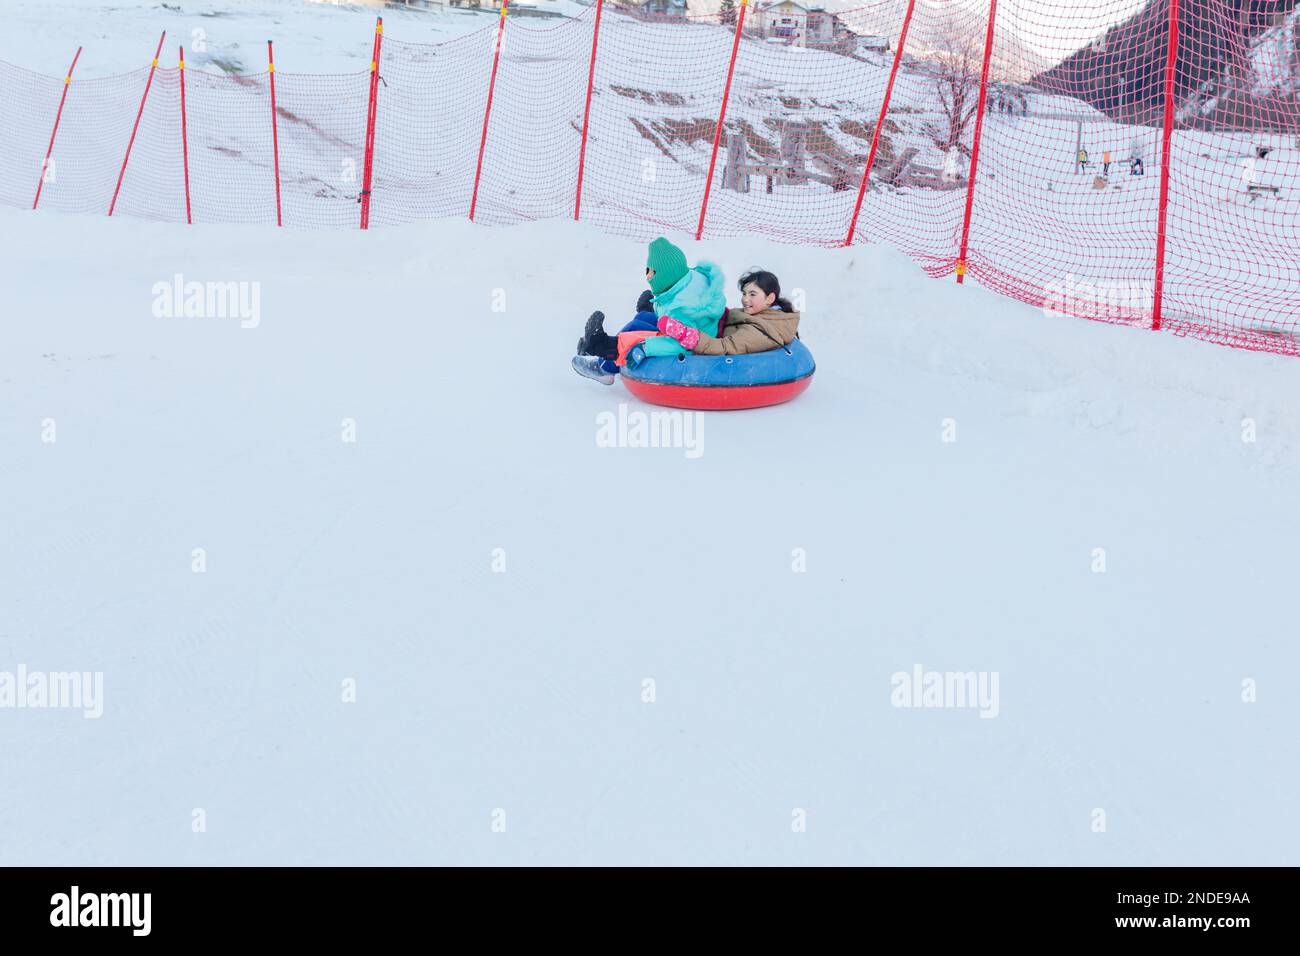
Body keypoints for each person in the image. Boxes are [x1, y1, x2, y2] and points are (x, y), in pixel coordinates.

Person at [572, 237, 727, 385]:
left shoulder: (681, 308)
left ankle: (604, 367)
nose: (648, 276)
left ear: (667, 273)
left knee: (635, 328)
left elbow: (684, 345)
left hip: (689, 344)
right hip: (696, 328)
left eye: (652, 271)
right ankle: (646, 312)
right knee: (643, 317)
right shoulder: (692, 278)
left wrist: (646, 347)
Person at [656, 269, 799, 356]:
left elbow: (725, 347)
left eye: (752, 294)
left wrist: (685, 335)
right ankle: (651, 309)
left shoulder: (761, 332)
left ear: (770, 298)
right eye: (744, 293)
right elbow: (734, 317)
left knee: (648, 323)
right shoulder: (759, 313)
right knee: (653, 318)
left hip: (706, 338)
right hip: (713, 328)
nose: (745, 299)